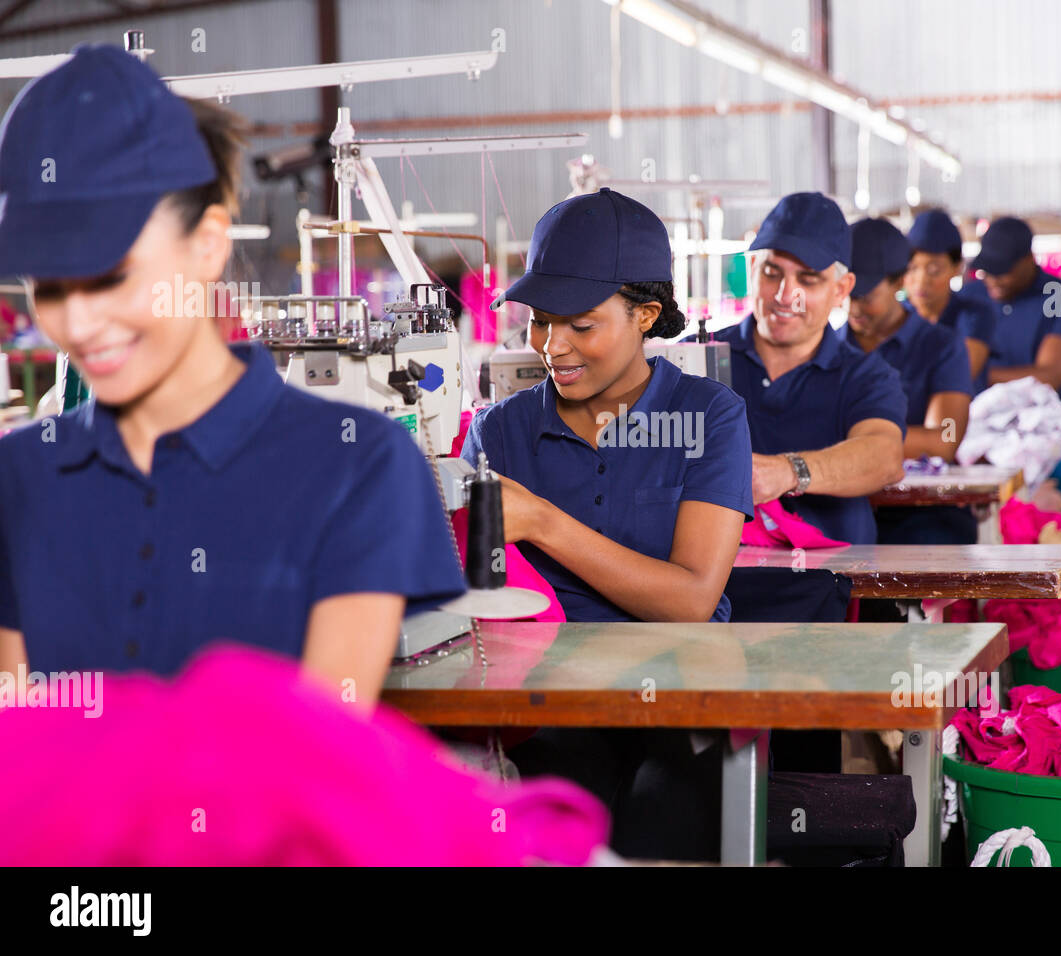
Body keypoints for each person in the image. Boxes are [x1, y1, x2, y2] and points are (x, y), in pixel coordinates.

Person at [0, 45, 465, 707]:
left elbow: (314, 763)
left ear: (208, 247)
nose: (76, 323)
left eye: (110, 277)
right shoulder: (19, 478)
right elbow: (20, 749)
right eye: (47, 287)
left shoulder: (359, 471)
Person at [461, 187, 754, 860]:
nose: (550, 345)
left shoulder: (710, 416)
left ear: (646, 314)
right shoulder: (499, 432)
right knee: (542, 824)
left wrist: (541, 522)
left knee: (665, 821)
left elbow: (690, 599)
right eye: (539, 321)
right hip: (548, 713)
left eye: (580, 325)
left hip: (683, 702)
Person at [711, 192, 906, 545]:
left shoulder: (866, 377)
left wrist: (788, 472)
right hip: (714, 588)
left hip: (828, 587)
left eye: (808, 279)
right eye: (772, 273)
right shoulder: (699, 359)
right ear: (752, 269)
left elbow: (884, 456)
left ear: (841, 290)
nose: (786, 295)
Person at [846, 218, 975, 544]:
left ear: (898, 282)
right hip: (842, 508)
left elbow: (943, 440)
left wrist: (839, 445)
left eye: (865, 294)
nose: (855, 307)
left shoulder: (941, 347)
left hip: (920, 516)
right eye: (847, 293)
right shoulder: (827, 348)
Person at [965, 216, 1061, 404]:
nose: (993, 279)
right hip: (976, 420)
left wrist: (970, 376)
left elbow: (1049, 378)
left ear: (1029, 259)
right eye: (988, 271)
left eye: (1003, 271)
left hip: (1046, 420)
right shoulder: (968, 297)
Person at [903, 209, 996, 388]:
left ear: (956, 268)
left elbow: (959, 377)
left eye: (934, 270)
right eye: (912, 268)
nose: (921, 281)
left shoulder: (974, 315)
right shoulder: (895, 316)